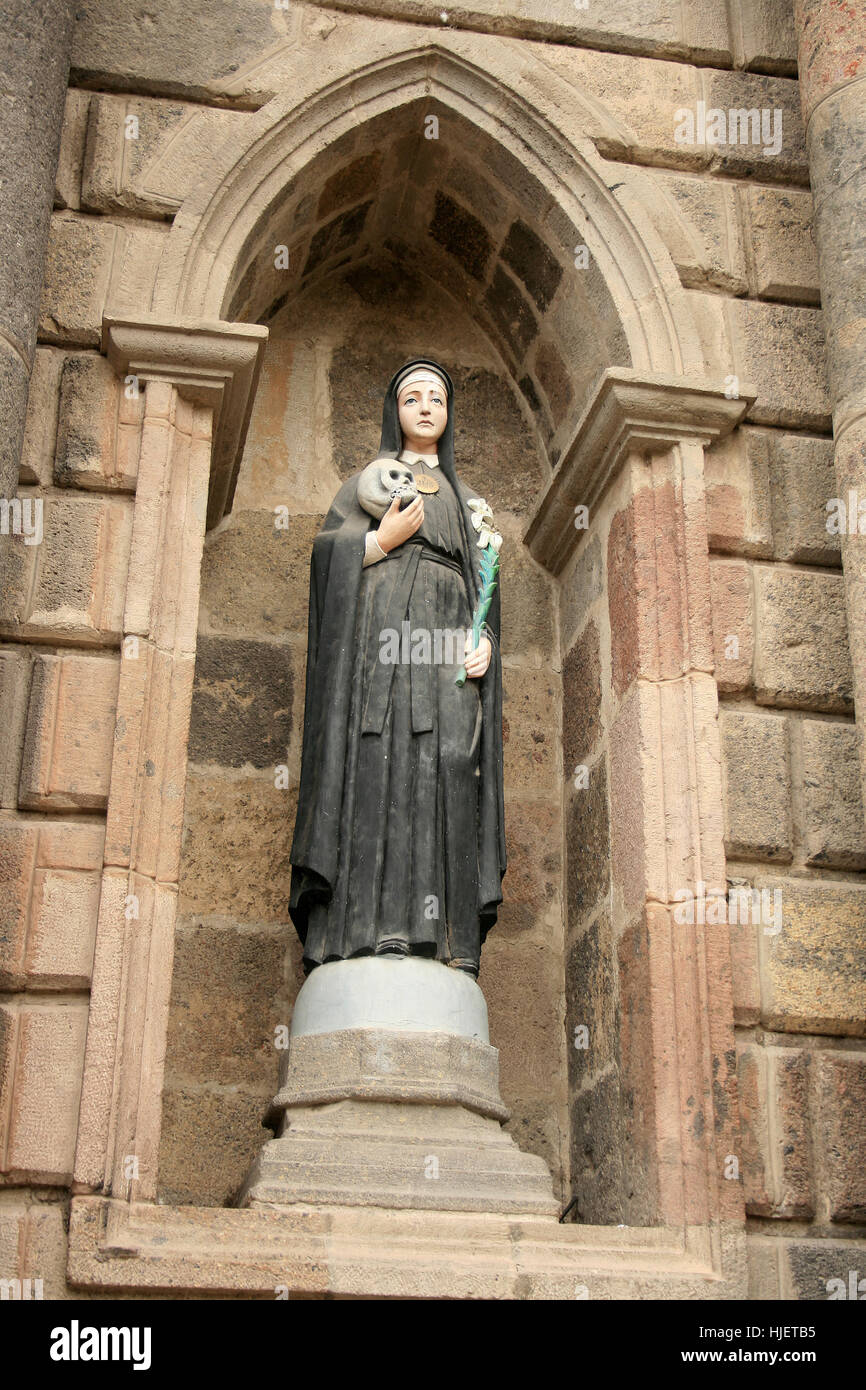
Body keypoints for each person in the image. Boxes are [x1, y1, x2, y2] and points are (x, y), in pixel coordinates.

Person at [288, 357, 506, 978]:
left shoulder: (468, 503)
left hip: (446, 656)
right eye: (412, 397)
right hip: (380, 645)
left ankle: (450, 936)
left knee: (446, 766)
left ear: (448, 413)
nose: (426, 406)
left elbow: (482, 588)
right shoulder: (372, 480)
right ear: (396, 412)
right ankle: (369, 928)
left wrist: (484, 640)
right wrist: (380, 541)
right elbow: (327, 558)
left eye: (436, 397)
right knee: (378, 766)